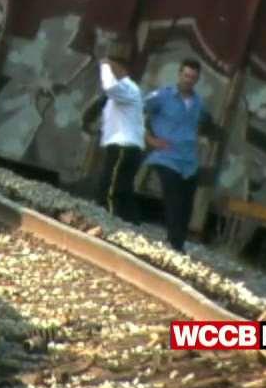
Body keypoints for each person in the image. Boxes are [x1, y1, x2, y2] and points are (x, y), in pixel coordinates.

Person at [142, 58, 219, 253]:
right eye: (185, 75)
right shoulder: (162, 96)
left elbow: (204, 123)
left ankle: (178, 244)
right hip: (166, 156)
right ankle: (174, 244)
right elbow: (136, 111)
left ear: (197, 80)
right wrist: (150, 139)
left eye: (192, 77)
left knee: (186, 204)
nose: (188, 80)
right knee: (174, 198)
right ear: (179, 74)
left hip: (188, 160)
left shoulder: (198, 103)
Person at [85, 41, 144, 224]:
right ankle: (132, 223)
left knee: (109, 186)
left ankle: (107, 221)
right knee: (123, 188)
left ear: (122, 71)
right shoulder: (123, 91)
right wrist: (88, 122)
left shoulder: (127, 89)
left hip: (123, 148)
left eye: (114, 69)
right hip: (125, 148)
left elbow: (108, 89)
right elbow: (102, 105)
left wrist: (104, 65)